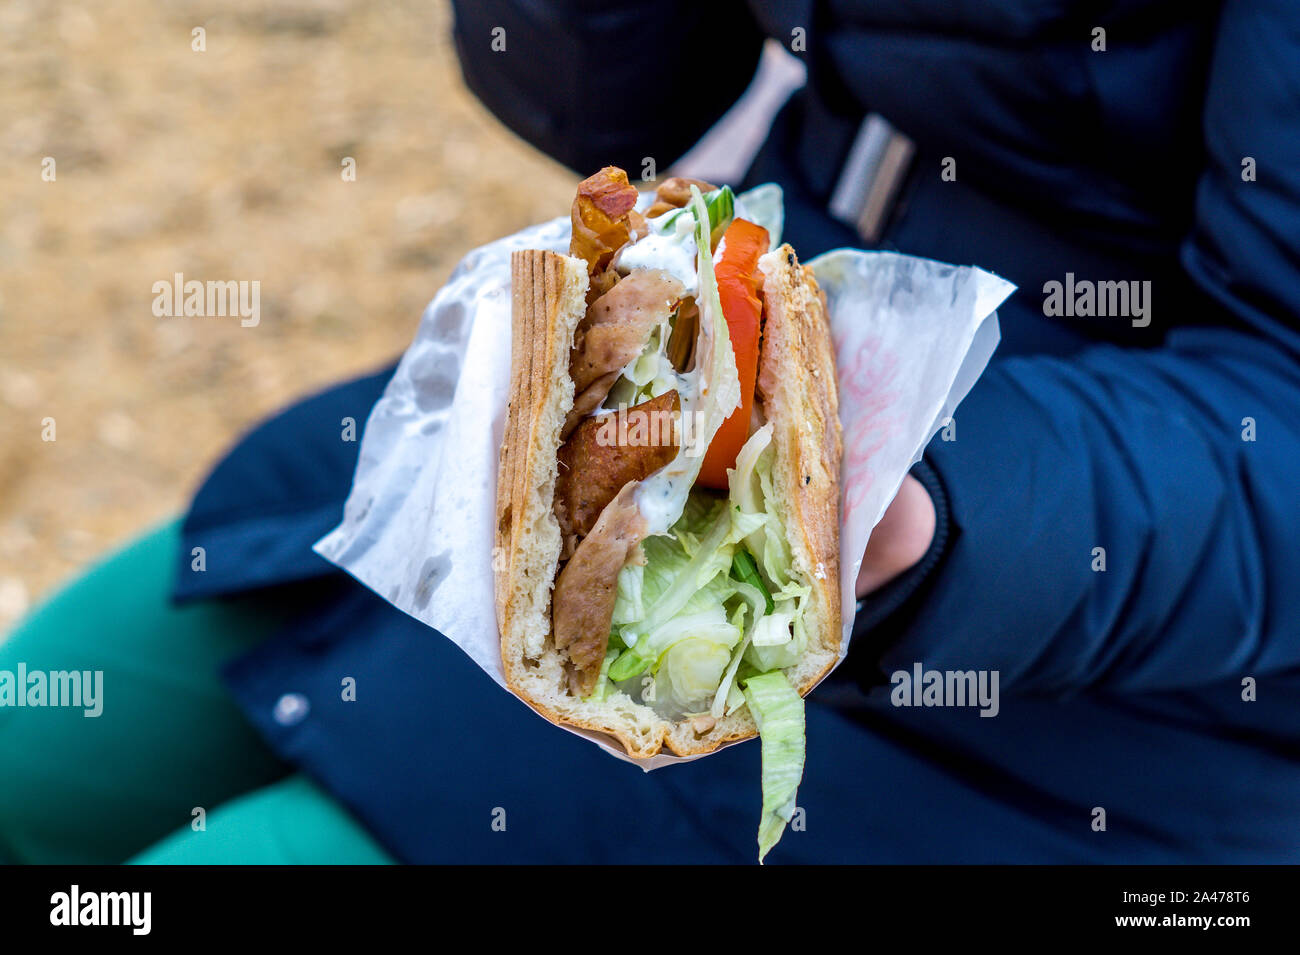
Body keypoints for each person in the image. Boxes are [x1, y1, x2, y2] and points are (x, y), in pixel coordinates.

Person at [3, 0, 1299, 863]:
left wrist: (916, 511)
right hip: (673, 390)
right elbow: (628, 101)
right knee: (37, 738)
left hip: (1095, 676)